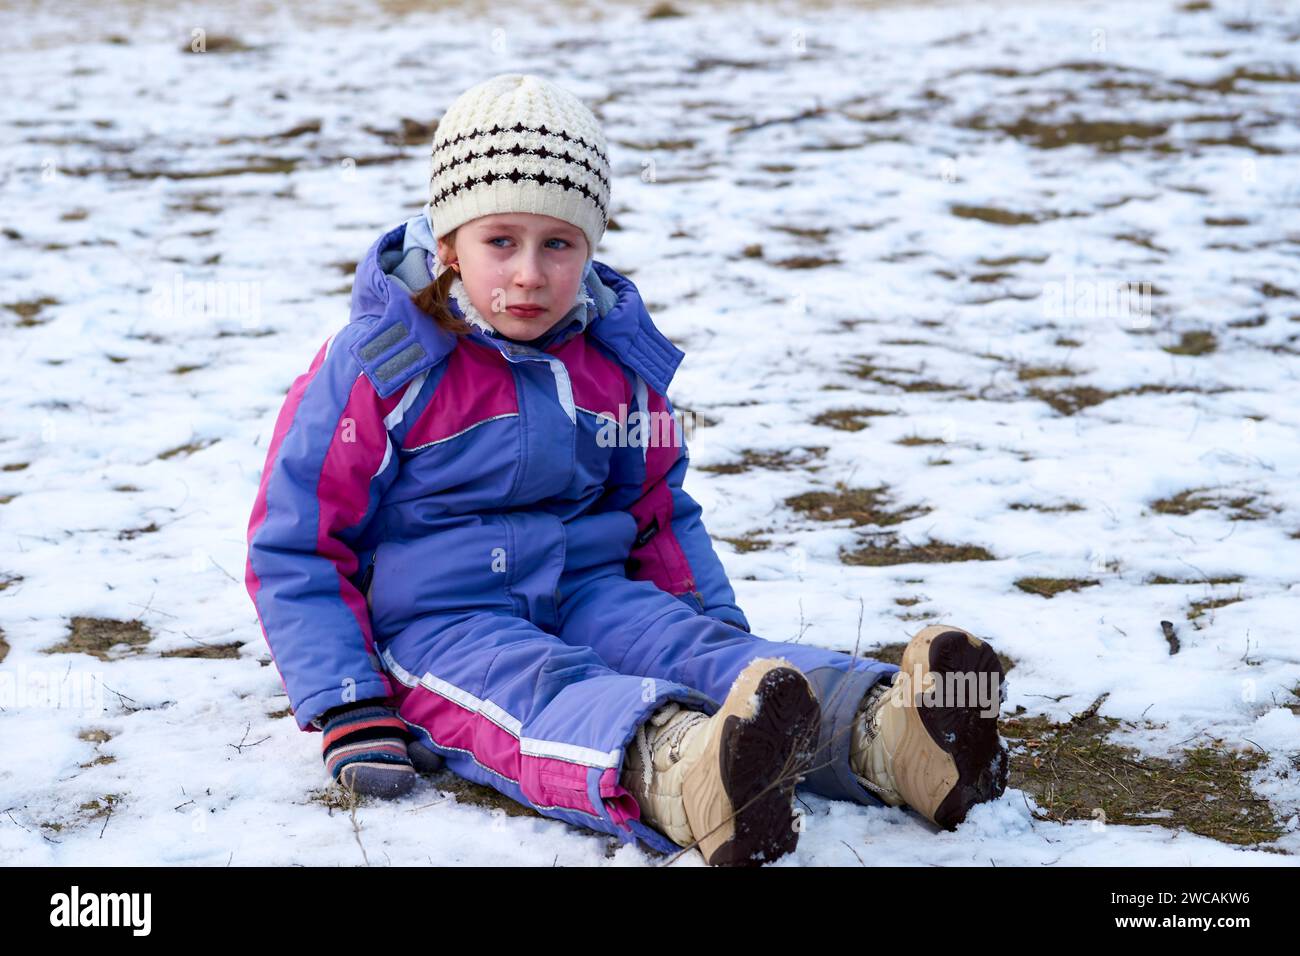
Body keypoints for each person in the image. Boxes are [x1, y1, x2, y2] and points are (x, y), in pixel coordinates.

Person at [244, 73, 1008, 866]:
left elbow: (655, 508)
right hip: (442, 621)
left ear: (593, 244)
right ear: (447, 244)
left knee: (696, 652)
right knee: (540, 692)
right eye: (500, 241)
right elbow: (296, 540)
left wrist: (710, 623)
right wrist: (349, 699)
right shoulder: (385, 368)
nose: (530, 274)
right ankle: (686, 771)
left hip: (591, 588)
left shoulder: (612, 360)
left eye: (559, 244)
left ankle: (895, 733)